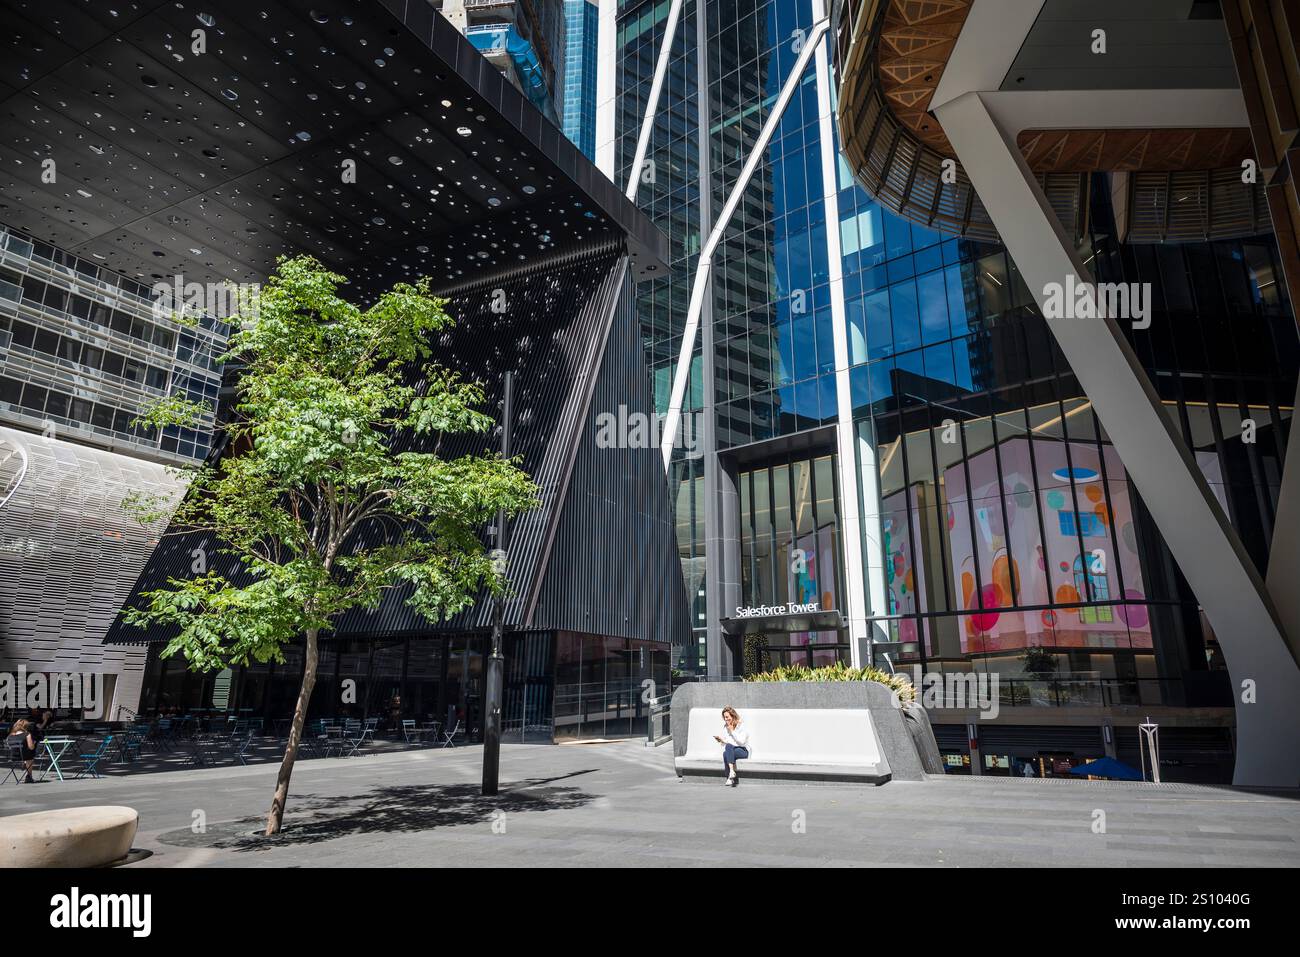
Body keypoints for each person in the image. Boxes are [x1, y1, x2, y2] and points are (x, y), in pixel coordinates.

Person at [713, 706, 750, 787]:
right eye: (724, 717)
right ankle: (731, 773)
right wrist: (722, 741)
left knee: (727, 752)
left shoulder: (741, 725)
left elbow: (741, 742)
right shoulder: (725, 727)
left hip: (743, 751)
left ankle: (730, 777)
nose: (726, 719)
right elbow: (728, 742)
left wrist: (732, 731)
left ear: (732, 716)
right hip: (732, 750)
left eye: (727, 717)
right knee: (725, 753)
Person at [6, 719, 39, 784]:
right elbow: (31, 747)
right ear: (26, 727)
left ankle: (24, 763)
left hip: (13, 757)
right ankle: (29, 776)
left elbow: (9, 746)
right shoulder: (27, 734)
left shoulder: (9, 736)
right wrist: (34, 743)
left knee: (27, 756)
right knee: (30, 757)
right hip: (24, 756)